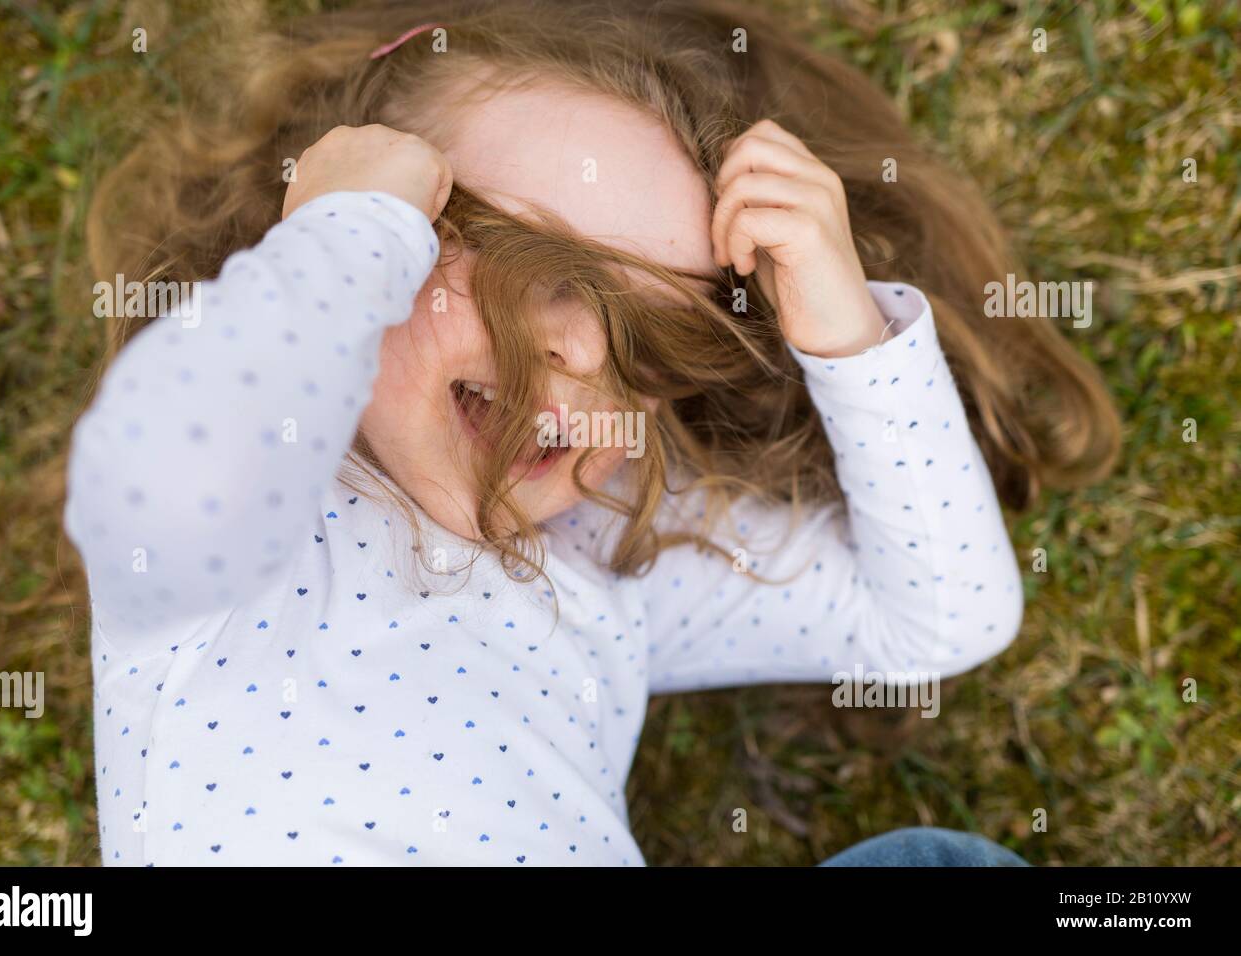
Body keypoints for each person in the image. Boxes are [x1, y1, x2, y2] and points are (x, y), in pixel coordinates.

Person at [66, 0, 1117, 865]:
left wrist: (845, 333)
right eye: (536, 270)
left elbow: (937, 620)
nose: (580, 359)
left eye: (655, 344)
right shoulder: (249, 520)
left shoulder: (598, 565)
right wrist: (342, 232)